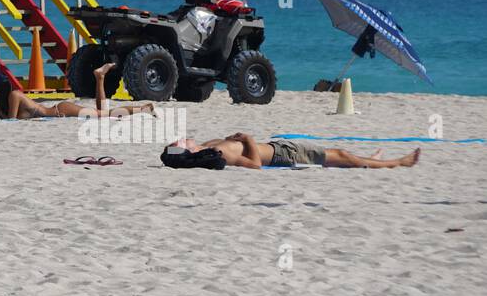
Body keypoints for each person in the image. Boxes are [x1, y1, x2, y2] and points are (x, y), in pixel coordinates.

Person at [0, 62, 156, 120]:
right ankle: (143, 109)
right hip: (56, 113)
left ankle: (100, 77)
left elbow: (12, 121)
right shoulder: (4, 101)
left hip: (60, 110)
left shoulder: (14, 95)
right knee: (103, 114)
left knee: (103, 114)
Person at [166, 133, 421, 169]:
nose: (181, 137)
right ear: (186, 150)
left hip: (279, 147)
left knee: (338, 153)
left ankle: (368, 160)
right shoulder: (220, 154)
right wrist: (249, 139)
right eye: (178, 142)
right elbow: (255, 165)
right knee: (340, 155)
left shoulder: (211, 146)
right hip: (282, 154)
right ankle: (397, 162)